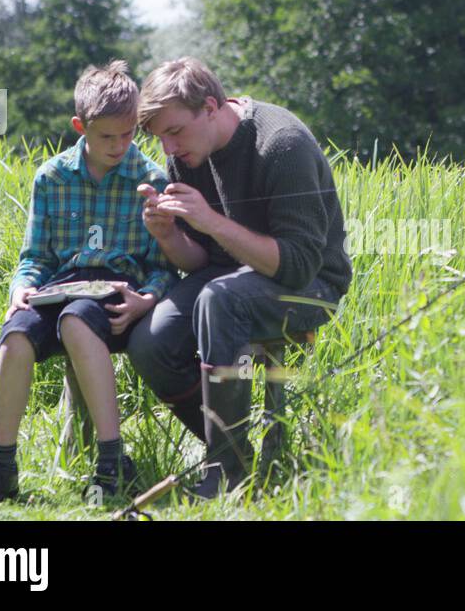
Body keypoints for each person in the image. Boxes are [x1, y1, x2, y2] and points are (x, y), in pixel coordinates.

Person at [127, 57, 352, 499]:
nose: (168, 150)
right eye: (159, 139)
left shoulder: (282, 144)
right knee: (150, 343)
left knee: (219, 298)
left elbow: (300, 264)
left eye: (174, 132)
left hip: (312, 284)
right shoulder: (188, 153)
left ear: (210, 106)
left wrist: (211, 221)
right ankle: (237, 454)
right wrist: (169, 235)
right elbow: (200, 261)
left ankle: (227, 477)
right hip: (229, 276)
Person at [0, 60, 177, 510]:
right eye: (106, 137)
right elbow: (36, 256)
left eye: (128, 134)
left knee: (78, 322)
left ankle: (110, 464)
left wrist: (147, 299)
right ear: (80, 126)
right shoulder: (52, 177)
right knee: (15, 335)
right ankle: (3, 469)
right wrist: (21, 287)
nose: (119, 145)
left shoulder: (154, 179)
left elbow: (163, 264)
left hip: (118, 291)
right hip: (60, 285)